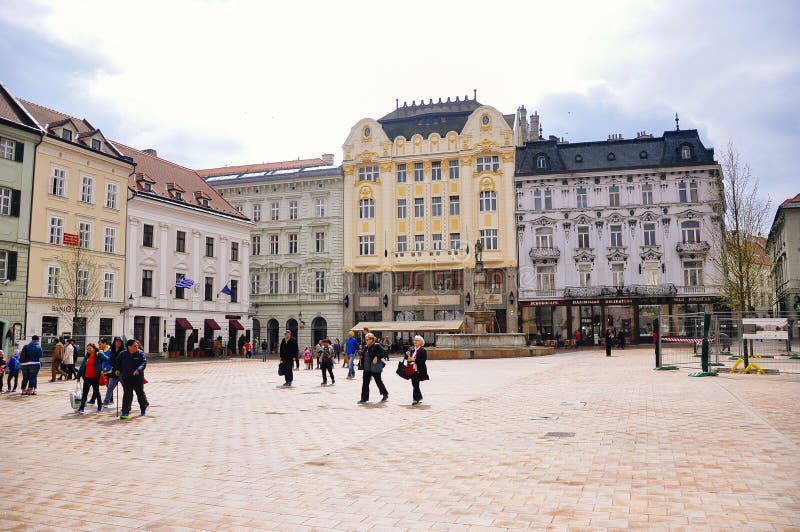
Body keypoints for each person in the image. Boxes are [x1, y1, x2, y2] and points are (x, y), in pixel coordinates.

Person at [116, 339, 149, 419]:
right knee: (127, 394)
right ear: (129, 347)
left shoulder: (140, 353)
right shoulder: (123, 354)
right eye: (135, 346)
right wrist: (117, 370)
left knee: (140, 393)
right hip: (126, 378)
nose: (137, 347)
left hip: (138, 378)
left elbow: (143, 363)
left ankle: (143, 407)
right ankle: (125, 412)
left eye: (137, 345)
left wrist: (138, 370)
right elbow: (118, 362)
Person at [75, 343, 109, 414]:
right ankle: (81, 408)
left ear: (94, 348)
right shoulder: (87, 356)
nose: (88, 350)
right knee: (85, 393)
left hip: (95, 377)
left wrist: (100, 354)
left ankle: (100, 405)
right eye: (87, 348)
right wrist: (78, 376)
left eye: (90, 348)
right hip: (87, 377)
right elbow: (82, 367)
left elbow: (107, 359)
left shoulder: (98, 355)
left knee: (96, 392)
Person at [358, 333, 388, 404]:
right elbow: (363, 355)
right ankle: (364, 399)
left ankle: (385, 394)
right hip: (366, 368)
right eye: (365, 339)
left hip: (374, 368)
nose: (366, 341)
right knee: (365, 383)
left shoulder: (376, 345)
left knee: (378, 382)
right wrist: (361, 355)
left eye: (368, 339)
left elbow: (385, 352)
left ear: (372, 339)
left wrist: (377, 357)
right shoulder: (365, 347)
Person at [103, 337, 124, 406]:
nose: (118, 343)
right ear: (114, 342)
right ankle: (106, 402)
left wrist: (119, 369)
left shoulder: (123, 351)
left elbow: (123, 362)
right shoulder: (111, 351)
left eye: (120, 341)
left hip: (122, 373)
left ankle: (126, 404)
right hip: (113, 372)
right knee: (110, 387)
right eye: (117, 341)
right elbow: (111, 361)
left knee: (126, 388)